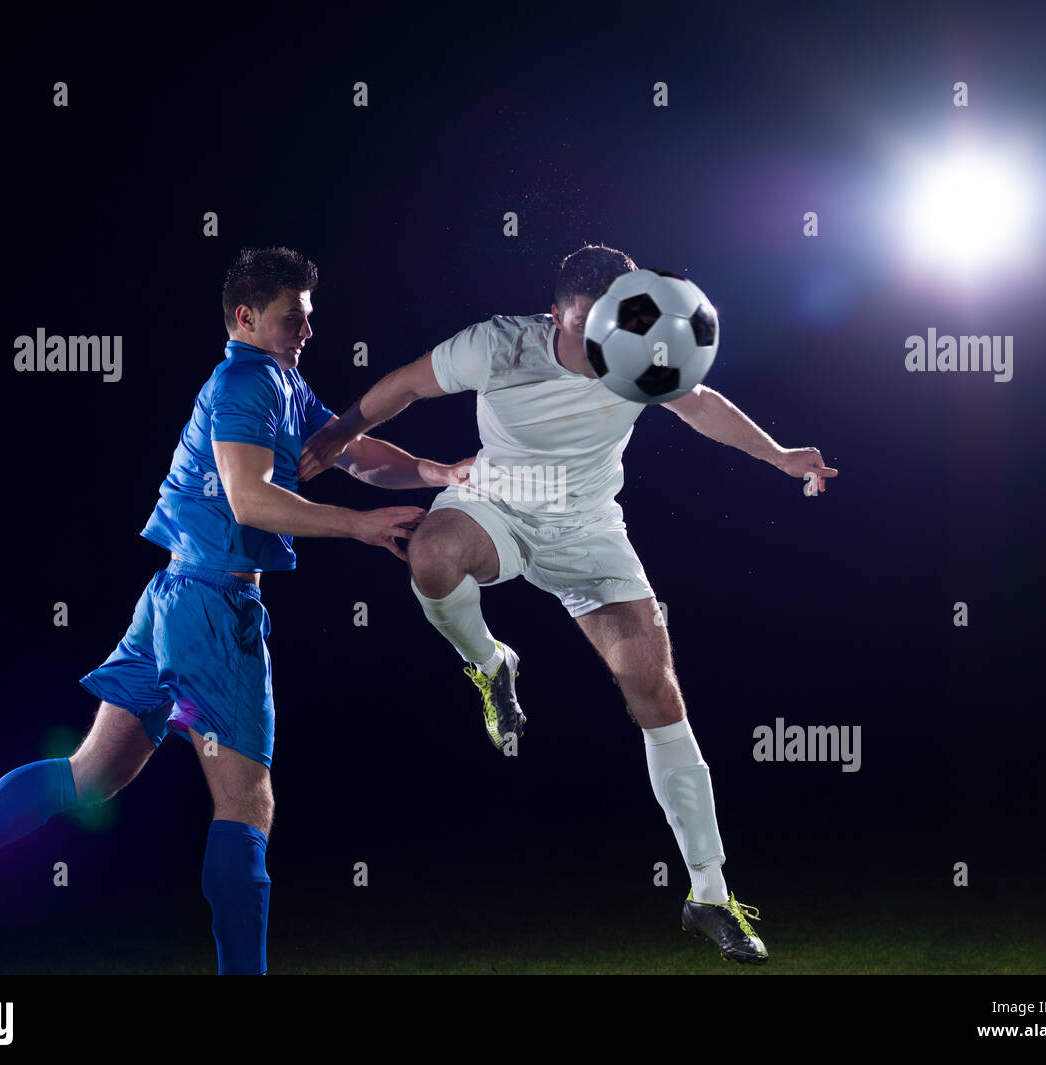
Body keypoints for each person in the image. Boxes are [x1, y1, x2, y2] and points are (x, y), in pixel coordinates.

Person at [0, 246, 469, 974]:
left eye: (310, 317)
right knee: (247, 804)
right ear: (247, 317)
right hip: (214, 607)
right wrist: (358, 524)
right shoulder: (245, 382)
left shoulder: (281, 381)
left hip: (171, 602)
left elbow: (351, 450)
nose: (307, 330)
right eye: (294, 317)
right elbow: (249, 497)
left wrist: (442, 472)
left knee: (90, 777)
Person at [297, 244, 838, 965]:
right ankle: (489, 664)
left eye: (611, 323)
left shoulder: (640, 351)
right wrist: (335, 436)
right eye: (584, 325)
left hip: (587, 532)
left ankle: (708, 893)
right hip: (498, 507)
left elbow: (699, 404)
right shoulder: (497, 344)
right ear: (556, 314)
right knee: (430, 553)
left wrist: (780, 455)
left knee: (654, 687)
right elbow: (406, 385)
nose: (599, 343)